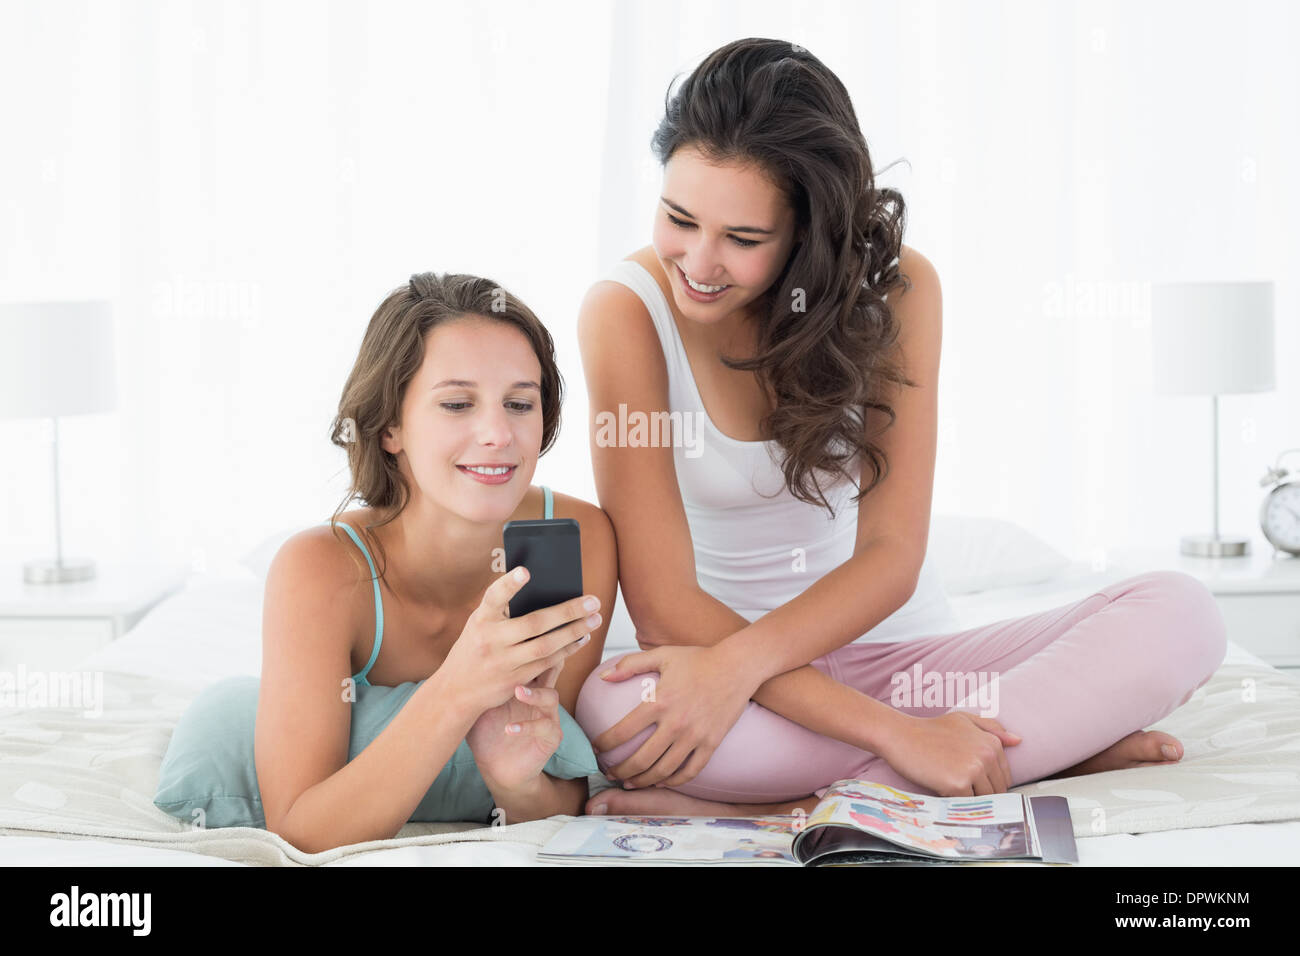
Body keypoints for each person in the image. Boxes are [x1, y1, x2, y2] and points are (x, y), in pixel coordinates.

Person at [573, 38, 1226, 818]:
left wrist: (892, 718)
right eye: (679, 218)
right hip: (721, 671)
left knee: (1183, 613)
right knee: (614, 719)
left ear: (810, 234)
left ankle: (785, 809)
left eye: (743, 240)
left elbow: (892, 558)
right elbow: (664, 602)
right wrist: (886, 730)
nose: (700, 262)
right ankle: (1012, 753)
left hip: (901, 663)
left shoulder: (899, 292)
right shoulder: (624, 312)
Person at [256, 272, 617, 852]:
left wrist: (511, 779)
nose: (499, 434)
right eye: (456, 403)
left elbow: (559, 794)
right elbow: (300, 835)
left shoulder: (581, 536)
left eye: (520, 403)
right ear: (390, 425)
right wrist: (459, 688)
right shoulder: (319, 570)